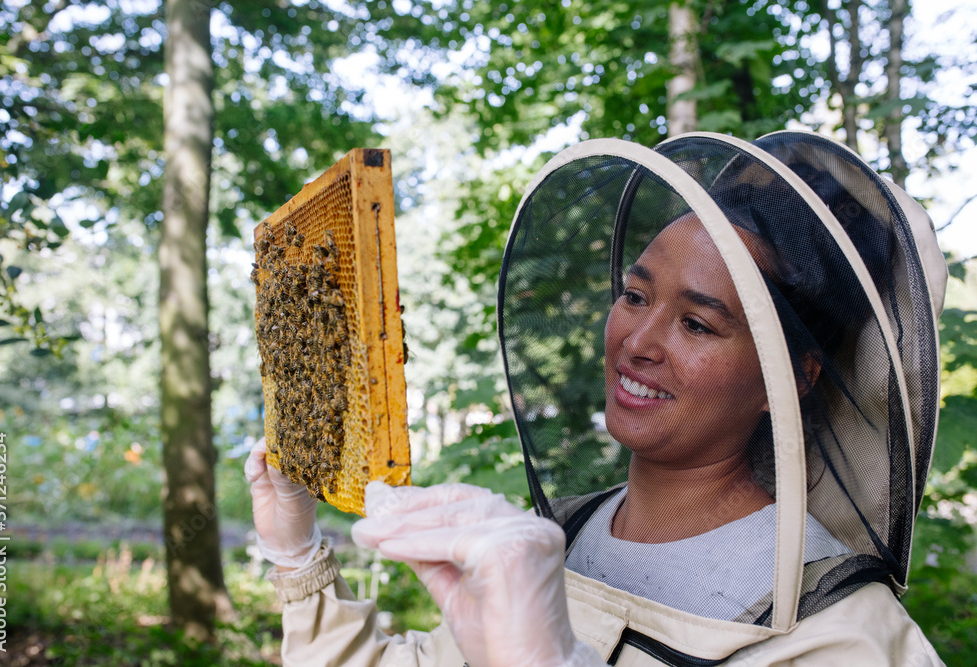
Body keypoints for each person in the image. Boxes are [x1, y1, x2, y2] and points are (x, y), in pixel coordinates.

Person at [247, 132, 948, 666]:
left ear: (794, 377)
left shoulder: (846, 636)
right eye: (635, 295)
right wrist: (298, 555)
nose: (638, 339)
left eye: (698, 322)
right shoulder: (566, 533)